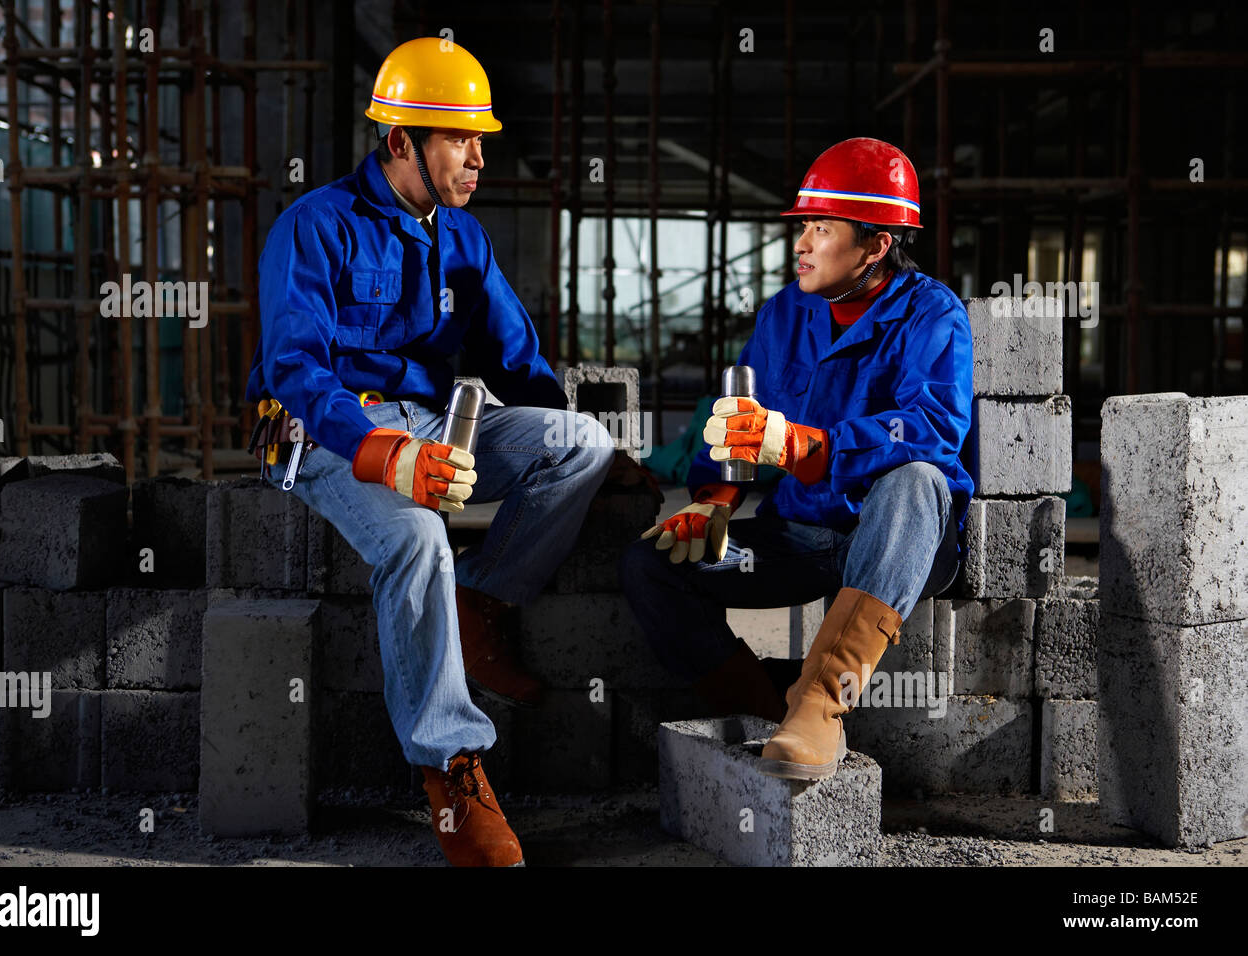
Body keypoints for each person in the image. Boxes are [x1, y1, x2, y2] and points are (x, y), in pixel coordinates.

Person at [244, 37, 614, 865]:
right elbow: (296, 372)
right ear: (401, 141)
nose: (479, 156)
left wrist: (593, 457)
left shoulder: (463, 239)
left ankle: (479, 603)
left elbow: (518, 363)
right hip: (322, 430)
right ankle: (450, 767)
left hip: (430, 420)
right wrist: (386, 456)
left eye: (482, 138)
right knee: (416, 535)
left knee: (580, 443)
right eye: (459, 138)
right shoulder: (315, 227)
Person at [621, 137, 974, 782]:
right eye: (804, 227)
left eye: (823, 228)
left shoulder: (933, 314)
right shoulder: (784, 314)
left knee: (918, 480)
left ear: (876, 244)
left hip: (896, 539)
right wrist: (713, 500)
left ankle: (819, 705)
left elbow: (933, 427)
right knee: (652, 564)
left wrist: (811, 446)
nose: (802, 244)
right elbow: (737, 425)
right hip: (802, 538)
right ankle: (763, 712)